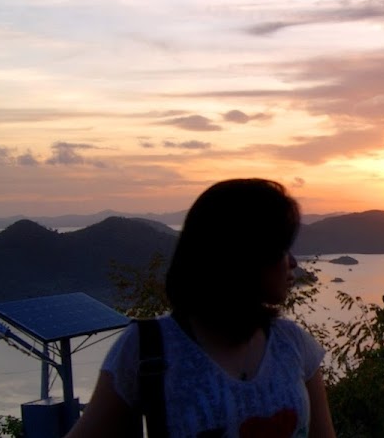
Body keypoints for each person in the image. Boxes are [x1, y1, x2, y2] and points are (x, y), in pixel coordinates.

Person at [65, 178, 336, 438]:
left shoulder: (293, 343)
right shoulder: (147, 347)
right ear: (246, 254)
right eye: (282, 249)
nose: (293, 263)